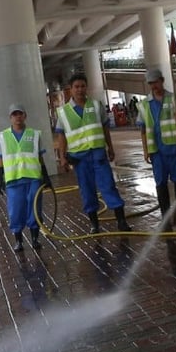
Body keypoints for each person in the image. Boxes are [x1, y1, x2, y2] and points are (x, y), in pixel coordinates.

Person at [53, 73, 132, 233]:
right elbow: (62, 137)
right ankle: (95, 225)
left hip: (98, 155)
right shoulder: (63, 112)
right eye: (76, 87)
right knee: (87, 191)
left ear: (86, 87)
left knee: (109, 186)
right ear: (71, 89)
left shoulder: (96, 106)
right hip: (79, 159)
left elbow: (105, 129)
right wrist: (62, 157)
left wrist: (110, 148)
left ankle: (121, 222)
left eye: (83, 86)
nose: (80, 90)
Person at [0, 104, 51, 252]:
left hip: (33, 179)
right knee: (15, 211)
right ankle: (18, 241)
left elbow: (39, 156)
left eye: (20, 114)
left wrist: (45, 175)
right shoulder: (2, 137)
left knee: (35, 210)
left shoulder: (35, 134)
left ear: (25, 116)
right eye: (14, 114)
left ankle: (35, 239)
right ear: (10, 118)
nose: (17, 117)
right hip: (13, 181)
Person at [137, 67, 176, 219]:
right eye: (151, 84)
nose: (154, 86)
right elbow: (143, 130)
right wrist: (145, 150)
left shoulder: (173, 98)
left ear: (162, 81)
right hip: (157, 152)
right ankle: (165, 216)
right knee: (161, 184)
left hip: (174, 150)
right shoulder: (144, 104)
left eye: (156, 82)